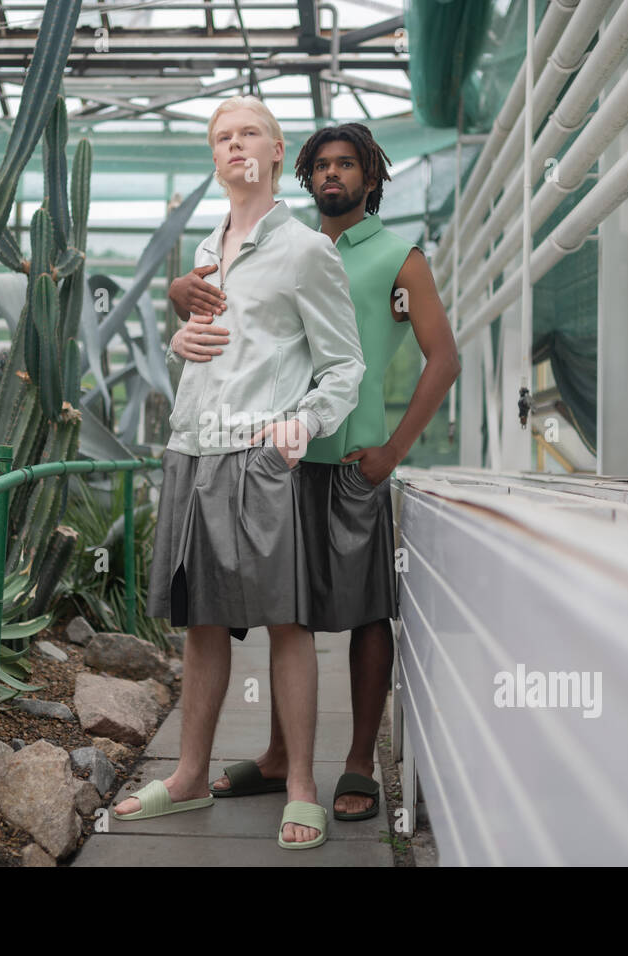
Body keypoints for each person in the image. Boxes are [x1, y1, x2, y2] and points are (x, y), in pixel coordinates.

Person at [167, 122, 460, 821]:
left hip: (350, 459)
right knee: (282, 611)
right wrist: (182, 297)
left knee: (362, 609)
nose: (334, 175)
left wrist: (392, 450)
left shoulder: (399, 257)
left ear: (371, 176)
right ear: (302, 174)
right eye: (322, 165)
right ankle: (276, 757)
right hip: (274, 457)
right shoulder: (269, 247)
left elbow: (443, 358)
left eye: (348, 165)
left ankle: (358, 763)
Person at [112, 96, 365, 850]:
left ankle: (302, 788)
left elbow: (344, 366)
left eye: (249, 132)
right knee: (200, 623)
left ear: (277, 153)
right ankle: (189, 778)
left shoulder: (306, 251)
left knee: (287, 623)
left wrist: (302, 424)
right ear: (214, 159)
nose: (234, 144)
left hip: (259, 455)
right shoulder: (205, 250)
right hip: (192, 448)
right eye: (222, 137)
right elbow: (207, 350)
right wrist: (182, 341)